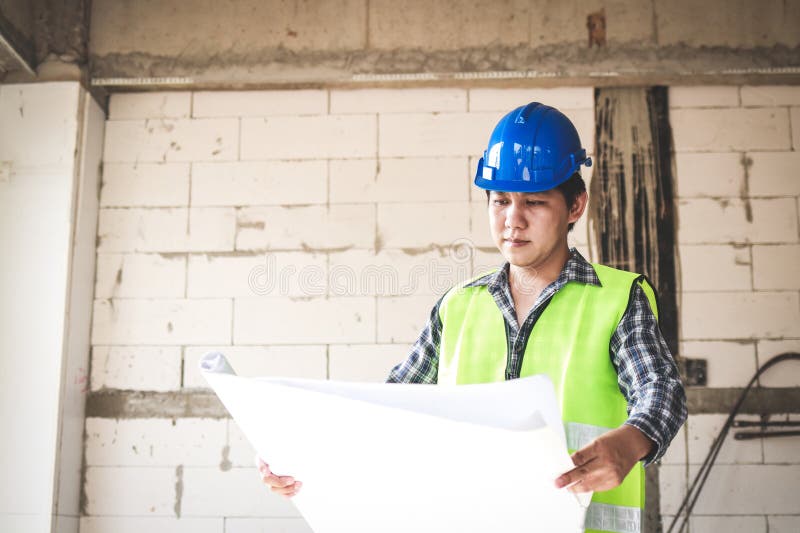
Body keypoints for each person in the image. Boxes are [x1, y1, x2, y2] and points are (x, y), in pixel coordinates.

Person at [257, 102, 687, 533]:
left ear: (575, 206)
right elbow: (389, 411)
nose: (512, 221)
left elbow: (661, 390)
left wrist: (631, 442)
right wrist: (303, 452)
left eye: (534, 202)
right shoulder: (458, 305)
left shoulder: (617, 298)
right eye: (500, 200)